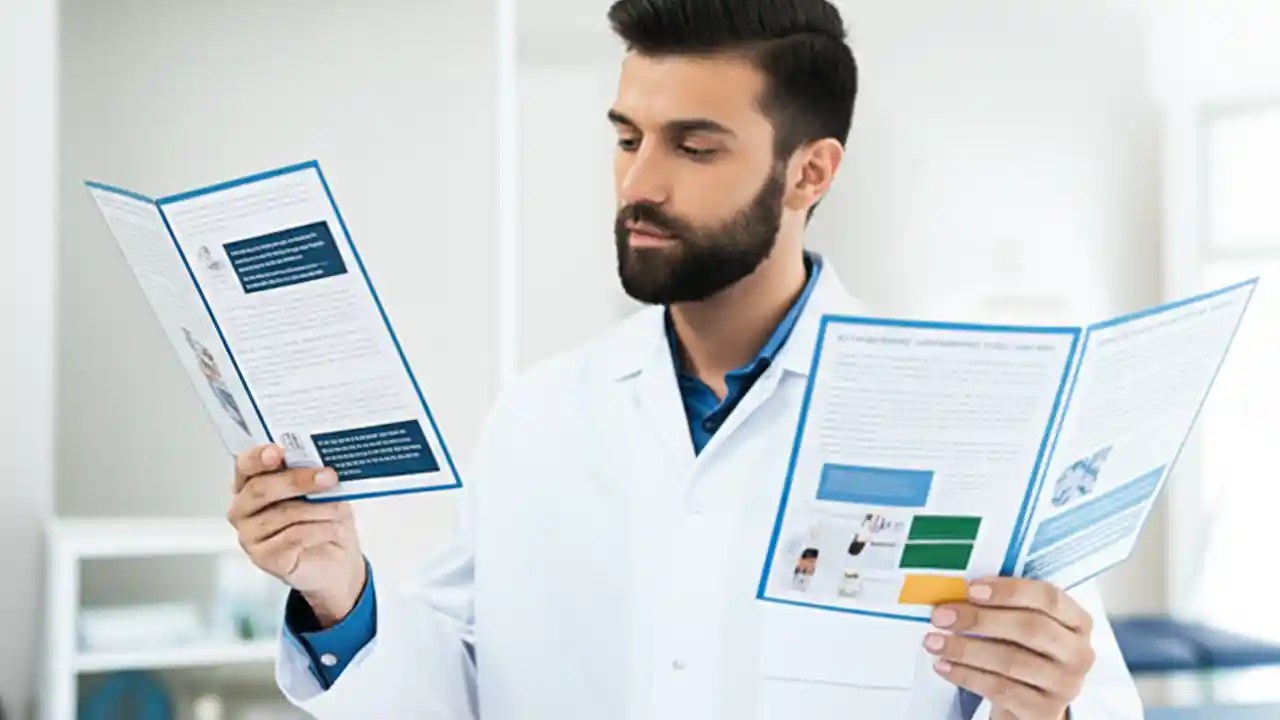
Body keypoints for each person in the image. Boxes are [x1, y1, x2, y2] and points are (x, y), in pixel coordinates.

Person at [225, 1, 1142, 718]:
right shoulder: (538, 418)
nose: (639, 184)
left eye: (694, 147)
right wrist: (333, 584)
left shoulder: (968, 429)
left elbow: (1066, 697)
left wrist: (1046, 707)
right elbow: (447, 695)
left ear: (810, 173)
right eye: (627, 138)